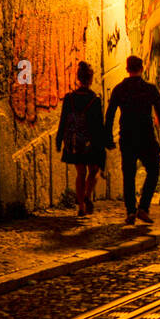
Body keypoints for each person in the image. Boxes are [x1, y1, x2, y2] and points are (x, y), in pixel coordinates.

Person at [106, 55, 160, 226]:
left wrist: (108, 138)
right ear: (142, 68)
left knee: (129, 175)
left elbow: (110, 115)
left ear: (127, 69)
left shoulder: (119, 89)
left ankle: (131, 211)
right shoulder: (150, 89)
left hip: (127, 137)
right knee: (154, 171)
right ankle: (143, 207)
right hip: (146, 136)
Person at [56, 61, 107, 217]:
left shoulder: (69, 98)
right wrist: (103, 145)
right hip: (90, 143)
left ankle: (81, 208)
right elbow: (99, 126)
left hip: (74, 142)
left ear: (78, 78)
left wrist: (59, 140)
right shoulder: (95, 100)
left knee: (80, 172)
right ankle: (87, 195)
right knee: (93, 171)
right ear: (90, 79)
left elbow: (63, 120)